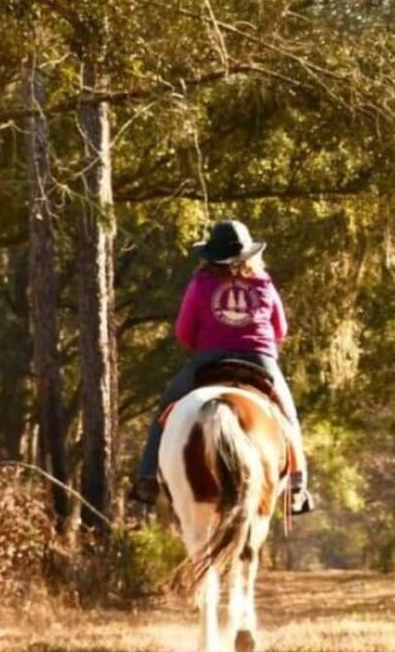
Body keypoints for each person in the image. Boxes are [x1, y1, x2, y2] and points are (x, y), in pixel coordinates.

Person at [131, 219, 314, 514]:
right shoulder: (264, 283)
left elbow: (183, 332)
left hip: (209, 359)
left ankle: (148, 476)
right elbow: (281, 329)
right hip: (259, 359)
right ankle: (298, 485)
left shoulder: (200, 283)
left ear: (211, 256)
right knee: (288, 416)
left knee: (164, 410)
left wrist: (208, 340)